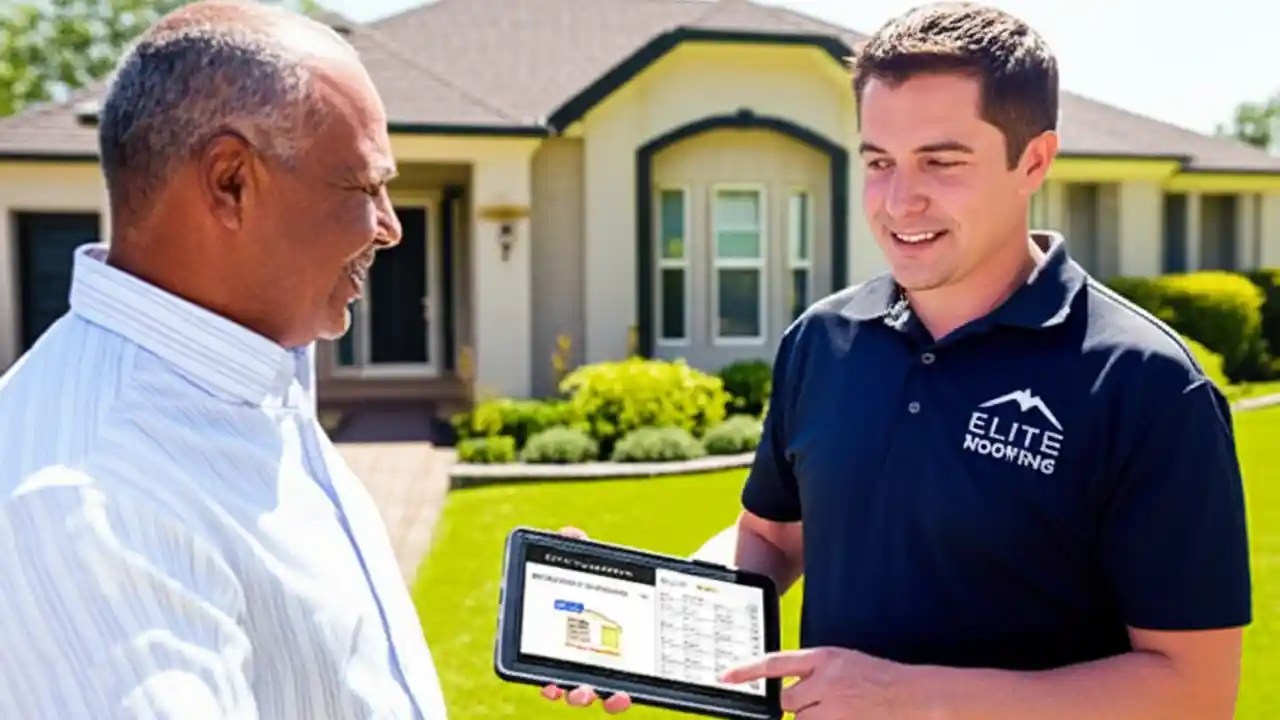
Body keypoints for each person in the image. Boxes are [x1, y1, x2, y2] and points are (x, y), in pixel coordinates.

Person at [546, 2, 1251, 718]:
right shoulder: (823, 340)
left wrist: (913, 697)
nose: (898, 201)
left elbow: (1195, 690)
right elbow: (771, 535)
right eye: (879, 162)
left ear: (1033, 160)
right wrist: (654, 612)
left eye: (941, 162)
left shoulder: (1147, 384)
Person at [0, 1, 448, 718]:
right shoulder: (94, 501)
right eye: (365, 188)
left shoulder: (248, 376)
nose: (390, 228)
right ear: (231, 182)